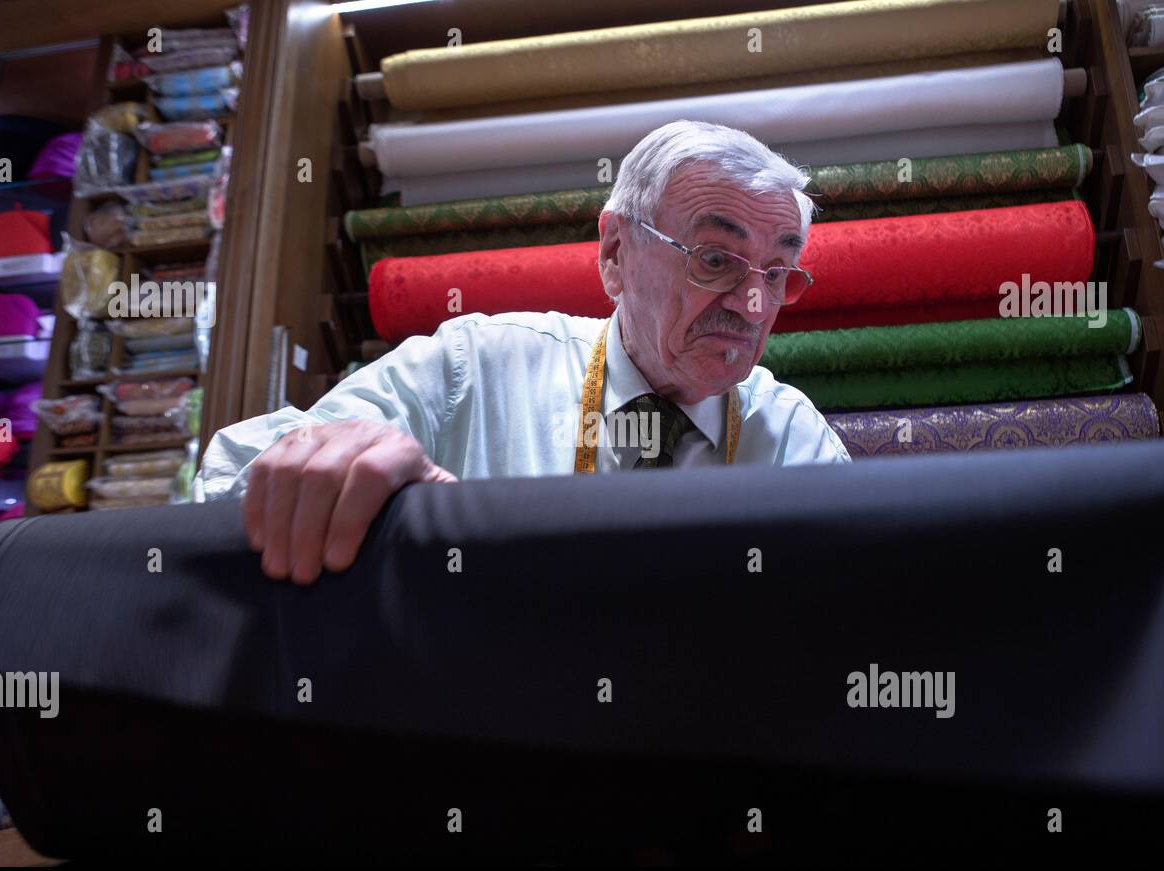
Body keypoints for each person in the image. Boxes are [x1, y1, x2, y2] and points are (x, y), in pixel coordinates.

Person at [193, 120, 851, 585]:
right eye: (716, 260)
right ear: (617, 254)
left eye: (777, 274)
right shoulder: (474, 368)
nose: (754, 306)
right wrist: (350, 472)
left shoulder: (791, 435)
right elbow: (227, 481)